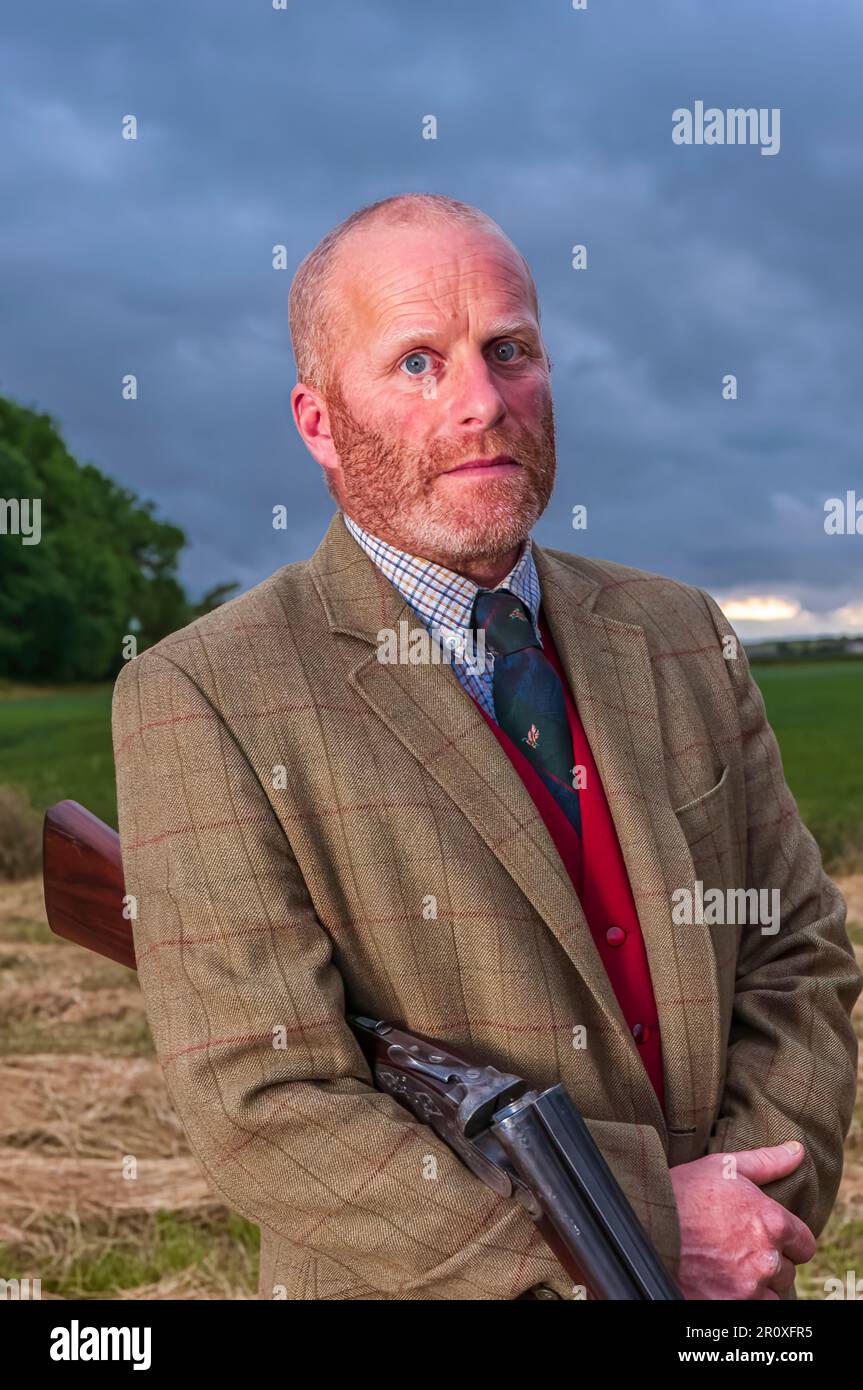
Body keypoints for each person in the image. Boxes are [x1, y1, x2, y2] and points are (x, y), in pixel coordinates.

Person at [111, 192, 861, 1301]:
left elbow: (795, 953)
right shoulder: (201, 692)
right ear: (316, 421)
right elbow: (267, 1103)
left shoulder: (679, 631)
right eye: (417, 362)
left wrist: (748, 1213)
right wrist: (648, 1236)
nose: (481, 401)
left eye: (508, 350)